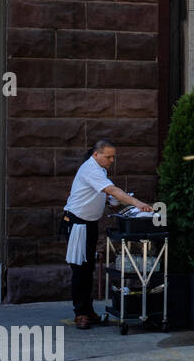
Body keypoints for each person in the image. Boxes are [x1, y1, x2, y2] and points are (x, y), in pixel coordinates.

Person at [62, 140, 154, 329]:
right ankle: (81, 313)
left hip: (89, 224)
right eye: (108, 156)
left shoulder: (99, 170)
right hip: (77, 224)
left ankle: (87, 310)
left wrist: (109, 201)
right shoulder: (91, 170)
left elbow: (105, 194)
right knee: (80, 270)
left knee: (88, 269)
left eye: (113, 156)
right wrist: (137, 204)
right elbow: (112, 190)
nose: (112, 160)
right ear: (96, 154)